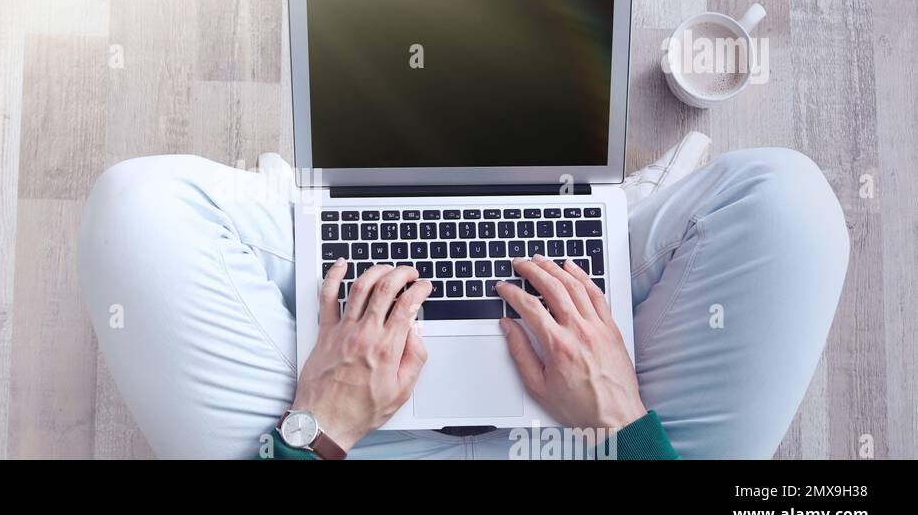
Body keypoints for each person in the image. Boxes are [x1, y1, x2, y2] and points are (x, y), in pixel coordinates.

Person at [77, 134, 850, 459]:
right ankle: (613, 233)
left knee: (135, 207)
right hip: (596, 443)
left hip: (347, 445)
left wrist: (322, 425)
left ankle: (316, 234)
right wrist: (618, 417)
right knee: (789, 201)